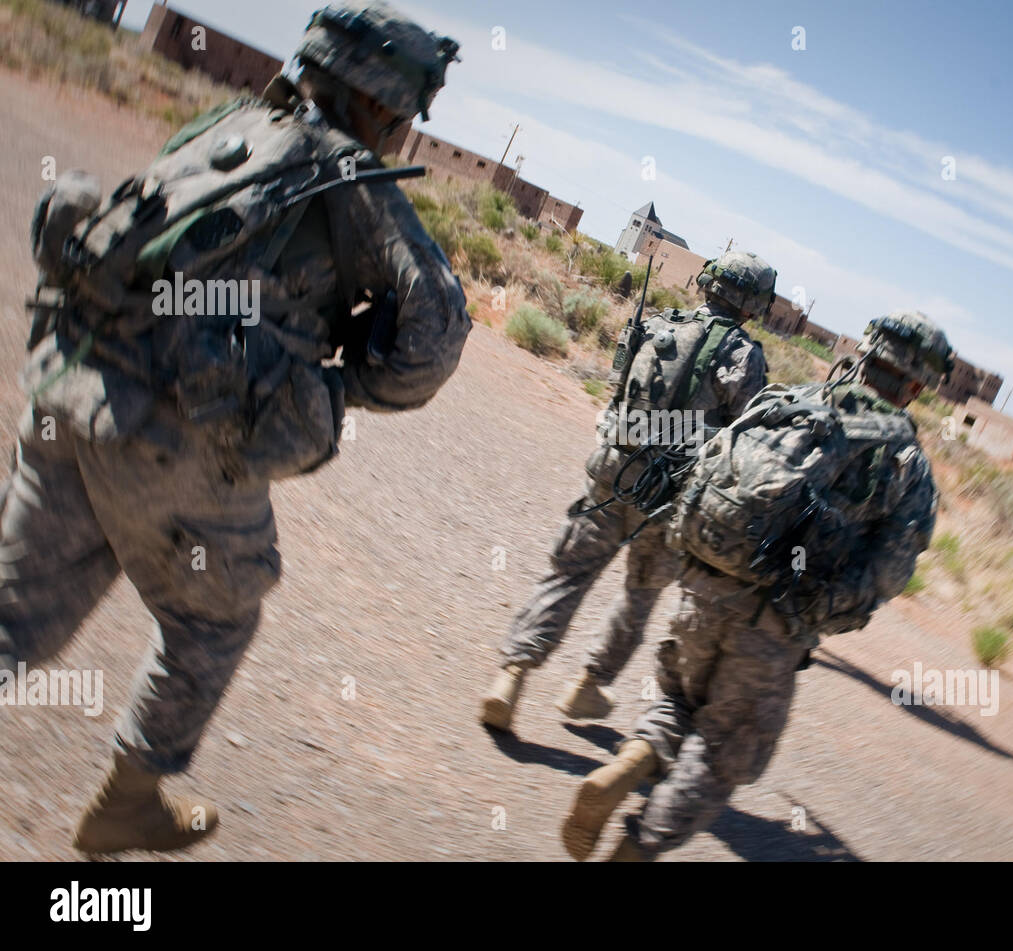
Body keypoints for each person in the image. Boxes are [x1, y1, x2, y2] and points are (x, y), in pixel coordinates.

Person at [1, 1, 469, 854]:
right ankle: (128, 800)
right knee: (216, 617)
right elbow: (433, 340)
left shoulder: (230, 122)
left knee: (11, 617)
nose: (401, 132)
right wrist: (338, 382)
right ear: (379, 108)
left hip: (67, 385)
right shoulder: (350, 177)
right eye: (404, 116)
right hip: (178, 445)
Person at [561, 311, 954, 861]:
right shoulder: (906, 463)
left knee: (677, 698)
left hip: (703, 578)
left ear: (863, 354)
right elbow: (888, 572)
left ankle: (627, 766)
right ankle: (637, 844)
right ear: (915, 386)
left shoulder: (788, 401)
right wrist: (825, 611)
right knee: (724, 747)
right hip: (775, 622)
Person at [481, 251, 776, 731]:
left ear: (709, 284)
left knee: (569, 572)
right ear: (755, 304)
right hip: (668, 494)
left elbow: (618, 388)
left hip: (613, 467)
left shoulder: (661, 324)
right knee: (638, 595)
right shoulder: (746, 357)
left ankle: (512, 676)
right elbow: (739, 441)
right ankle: (588, 686)